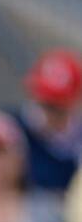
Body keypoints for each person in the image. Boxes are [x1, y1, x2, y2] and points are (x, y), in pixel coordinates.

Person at [12, 49, 82, 192]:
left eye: (57, 107)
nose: (48, 113)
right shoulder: (12, 129)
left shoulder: (76, 137)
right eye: (44, 104)